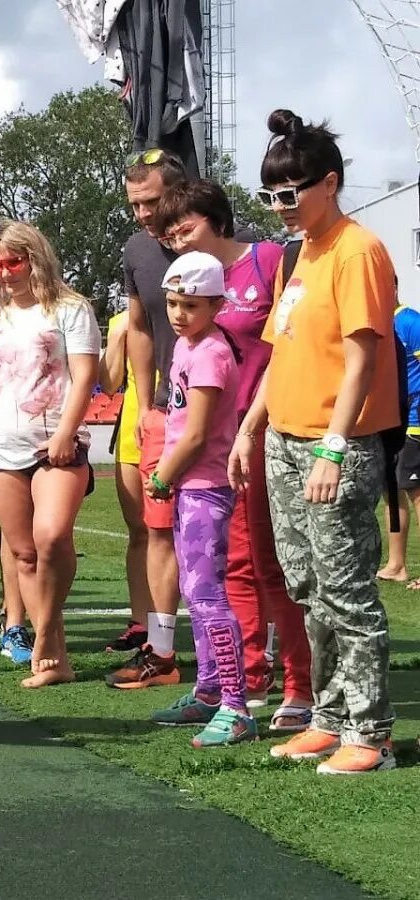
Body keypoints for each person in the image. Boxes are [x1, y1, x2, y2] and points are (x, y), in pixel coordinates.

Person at [231, 109, 398, 774]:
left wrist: (332, 446)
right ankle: (329, 720)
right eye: (270, 195)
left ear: (328, 184)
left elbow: (361, 358)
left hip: (340, 445)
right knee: (305, 588)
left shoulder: (358, 251)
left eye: (290, 193)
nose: (280, 208)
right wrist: (250, 428)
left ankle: (372, 733)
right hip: (284, 440)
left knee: (348, 591)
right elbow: (282, 350)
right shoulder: (299, 255)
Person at [156, 178, 313, 732]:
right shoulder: (190, 319)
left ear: (217, 220)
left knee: (277, 567)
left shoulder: (269, 260)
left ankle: (299, 687)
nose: (179, 240)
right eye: (169, 234)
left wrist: (255, 422)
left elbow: (291, 342)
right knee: (235, 570)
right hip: (222, 452)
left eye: (186, 227)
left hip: (267, 431)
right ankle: (235, 683)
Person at [0, 222, 99, 683]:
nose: (4, 273)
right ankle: (54, 656)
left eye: (13, 262)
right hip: (1, 445)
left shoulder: (71, 309)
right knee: (22, 553)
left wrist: (66, 431)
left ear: (35, 258)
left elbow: (83, 376)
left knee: (53, 535)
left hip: (54, 443)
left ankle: (42, 633)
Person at [143, 251, 254, 746]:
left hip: (204, 486)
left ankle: (236, 703)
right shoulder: (189, 346)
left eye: (190, 304)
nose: (177, 313)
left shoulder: (210, 351)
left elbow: (197, 432)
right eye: (172, 303)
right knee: (194, 590)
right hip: (190, 485)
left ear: (215, 304)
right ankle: (209, 691)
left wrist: (163, 476)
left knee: (208, 595)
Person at [105, 148, 190, 688]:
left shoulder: (213, 238)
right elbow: (138, 326)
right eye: (134, 203)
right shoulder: (136, 249)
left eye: (151, 202)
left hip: (217, 410)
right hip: (160, 408)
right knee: (155, 531)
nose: (141, 213)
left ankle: (258, 655)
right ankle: (161, 651)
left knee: (227, 538)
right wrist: (147, 396)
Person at [97, 309, 153, 652]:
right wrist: (117, 337)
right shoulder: (120, 320)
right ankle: (141, 622)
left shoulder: (182, 307)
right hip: (133, 432)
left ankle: (175, 621)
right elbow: (110, 382)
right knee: (139, 531)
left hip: (178, 424)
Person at [376, 303, 420, 587]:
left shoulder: (409, 321)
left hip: (414, 421)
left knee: (417, 493)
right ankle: (396, 564)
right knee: (391, 491)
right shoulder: (377, 323)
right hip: (387, 422)